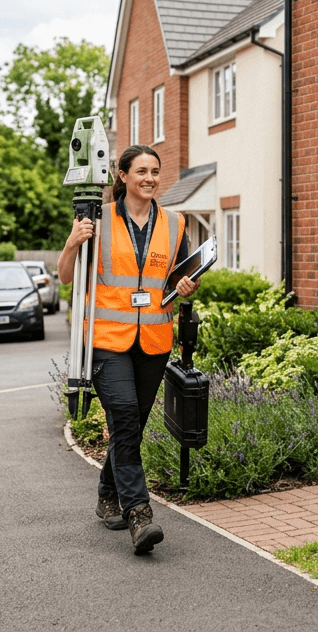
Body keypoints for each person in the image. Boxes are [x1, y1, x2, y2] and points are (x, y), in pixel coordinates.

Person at [58, 144, 198, 555]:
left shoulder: (174, 222)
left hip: (152, 342)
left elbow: (183, 277)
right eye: (141, 171)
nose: (150, 178)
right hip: (106, 342)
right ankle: (139, 514)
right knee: (123, 417)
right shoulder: (97, 221)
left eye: (155, 171)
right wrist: (71, 243)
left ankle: (106, 495)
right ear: (121, 175)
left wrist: (188, 285)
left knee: (130, 425)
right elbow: (66, 277)